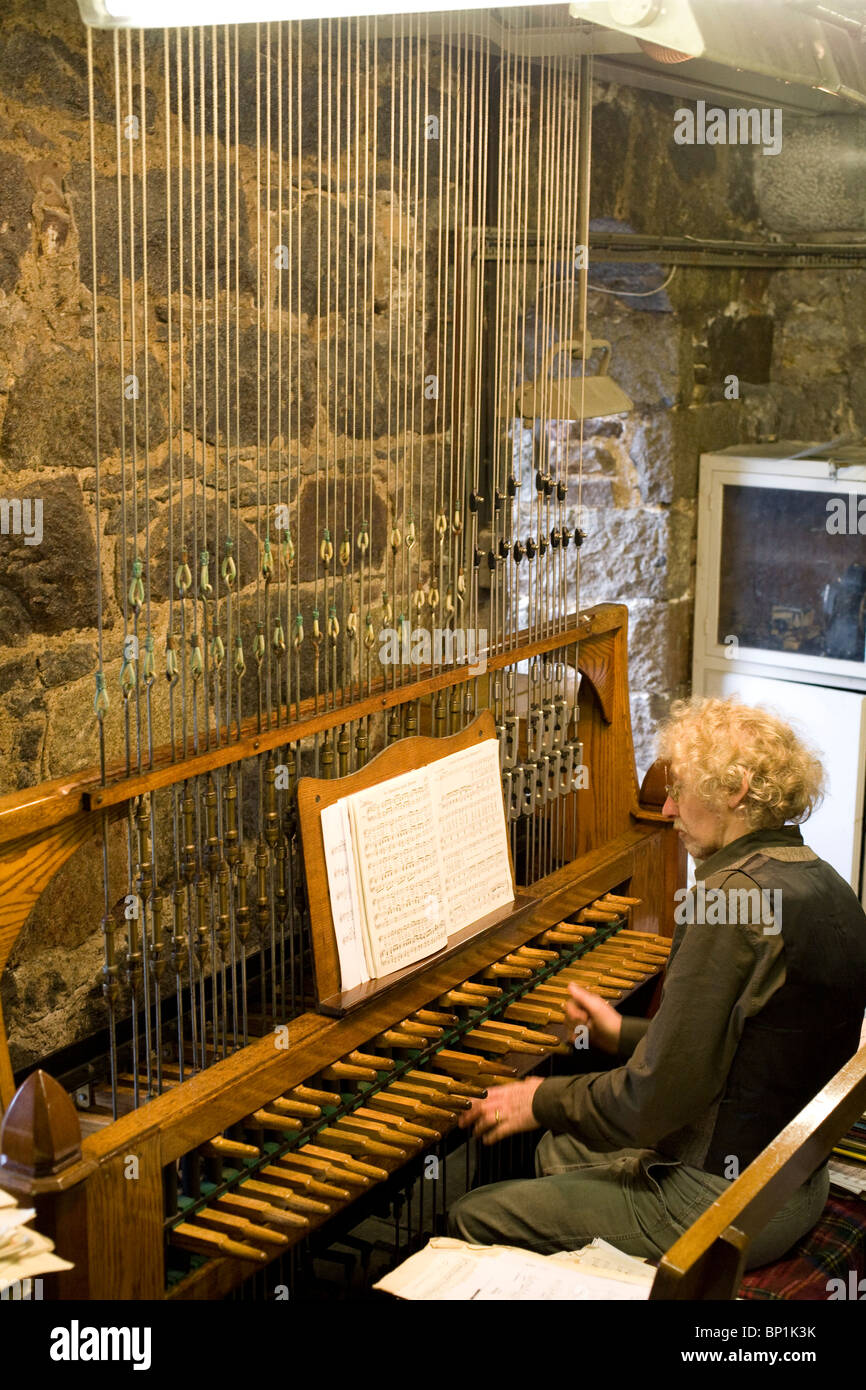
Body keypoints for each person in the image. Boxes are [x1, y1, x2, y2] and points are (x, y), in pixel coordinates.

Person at [449, 696, 866, 1268]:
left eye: (681, 787)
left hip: (729, 1206)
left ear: (735, 790)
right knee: (561, 1149)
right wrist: (623, 1032)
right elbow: (749, 1042)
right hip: (792, 1176)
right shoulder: (821, 879)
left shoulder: (729, 902)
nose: (667, 807)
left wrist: (541, 1097)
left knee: (476, 1213)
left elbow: (654, 1101)